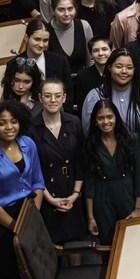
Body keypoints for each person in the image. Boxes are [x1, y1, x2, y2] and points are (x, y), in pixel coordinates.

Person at [0, 101, 45, 279]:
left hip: (28, 209)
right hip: (1, 220)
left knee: (36, 269)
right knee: (10, 274)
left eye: (13, 121)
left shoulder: (28, 143)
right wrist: (17, 227)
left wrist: (32, 216)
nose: (9, 127)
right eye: (2, 123)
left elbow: (37, 181)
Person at [29, 79, 86, 252]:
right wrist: (50, 199)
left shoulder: (74, 122)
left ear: (64, 98)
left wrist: (75, 194)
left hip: (72, 190)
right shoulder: (31, 128)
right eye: (47, 95)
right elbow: (33, 169)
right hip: (46, 192)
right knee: (53, 247)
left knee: (75, 244)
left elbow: (81, 160)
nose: (53, 100)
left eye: (57, 95)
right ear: (40, 98)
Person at [83, 99, 140, 246]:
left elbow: (139, 176)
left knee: (133, 240)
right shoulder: (90, 143)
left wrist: (138, 208)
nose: (106, 121)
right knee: (107, 243)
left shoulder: (132, 139)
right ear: (95, 121)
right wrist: (91, 216)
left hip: (126, 192)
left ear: (116, 117)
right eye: (100, 118)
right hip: (102, 196)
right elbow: (89, 182)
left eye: (109, 117)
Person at [81, 48, 140, 140]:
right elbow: (89, 134)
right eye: (118, 66)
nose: (124, 71)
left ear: (135, 71)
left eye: (129, 67)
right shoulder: (96, 96)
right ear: (109, 68)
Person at [46, 0, 94, 76]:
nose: (66, 14)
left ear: (75, 9)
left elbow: (91, 60)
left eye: (70, 8)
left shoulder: (84, 26)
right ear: (53, 10)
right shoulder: (46, 31)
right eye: (61, 10)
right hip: (57, 84)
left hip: (82, 82)